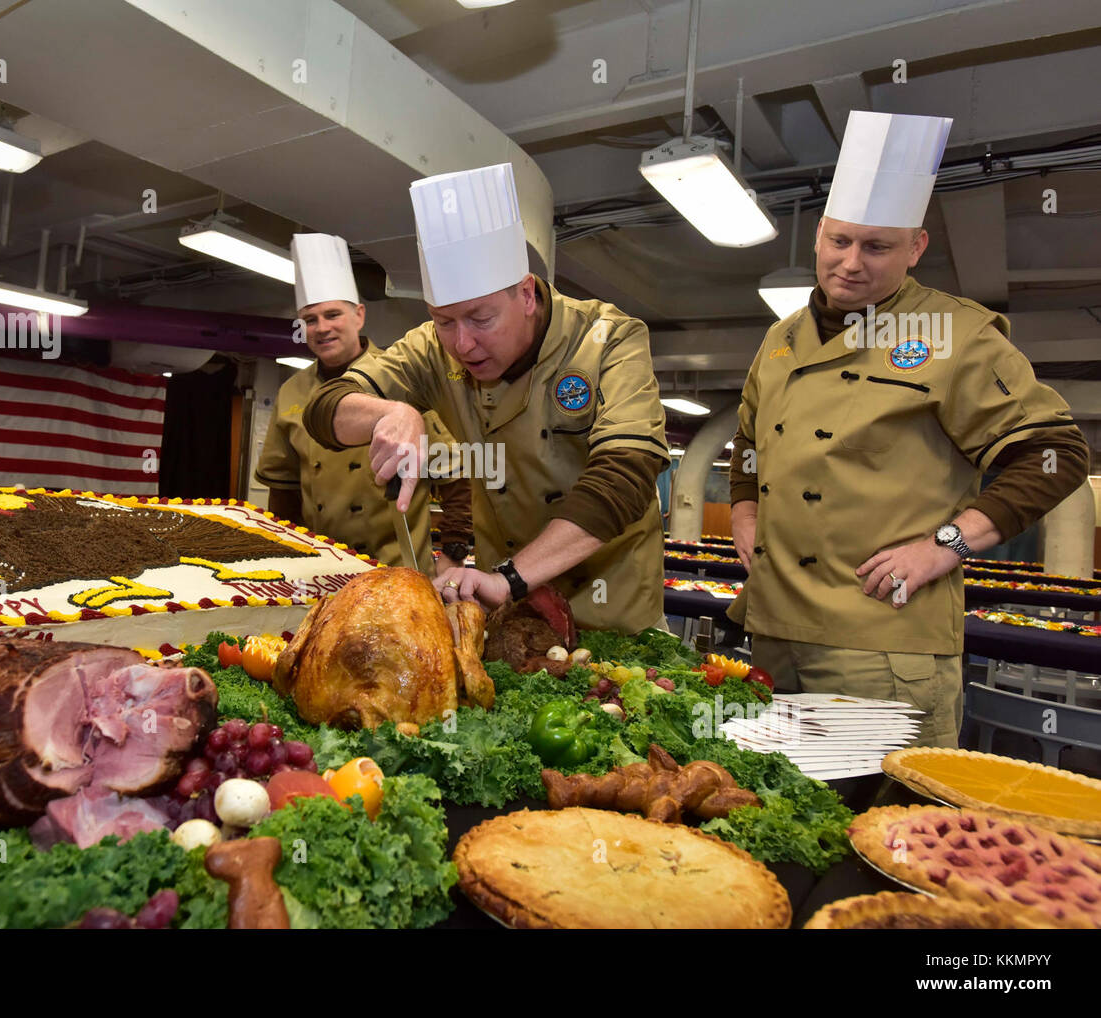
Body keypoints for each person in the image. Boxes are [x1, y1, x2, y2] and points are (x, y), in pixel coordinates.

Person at [727, 111, 1090, 747]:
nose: (850, 263)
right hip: (774, 631)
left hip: (882, 644)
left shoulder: (955, 334)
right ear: (817, 236)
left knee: (889, 827)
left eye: (877, 247)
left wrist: (948, 543)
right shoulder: (780, 339)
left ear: (916, 248)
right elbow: (751, 447)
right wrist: (743, 520)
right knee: (778, 818)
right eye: (838, 241)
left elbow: (1056, 454)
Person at [302, 164, 671, 632]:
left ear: (526, 294)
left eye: (480, 319)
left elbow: (625, 476)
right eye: (444, 321)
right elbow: (324, 408)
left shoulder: (608, 338)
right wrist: (391, 410)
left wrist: (512, 577)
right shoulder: (430, 349)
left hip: (614, 610)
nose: (462, 344)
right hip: (509, 613)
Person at [255, 233, 472, 572]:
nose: (321, 328)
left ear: (359, 315)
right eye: (311, 320)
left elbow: (456, 476)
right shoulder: (291, 392)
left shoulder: (403, 379)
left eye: (332, 315)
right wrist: (284, 556)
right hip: (321, 569)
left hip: (396, 568)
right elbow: (284, 489)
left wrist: (454, 551)